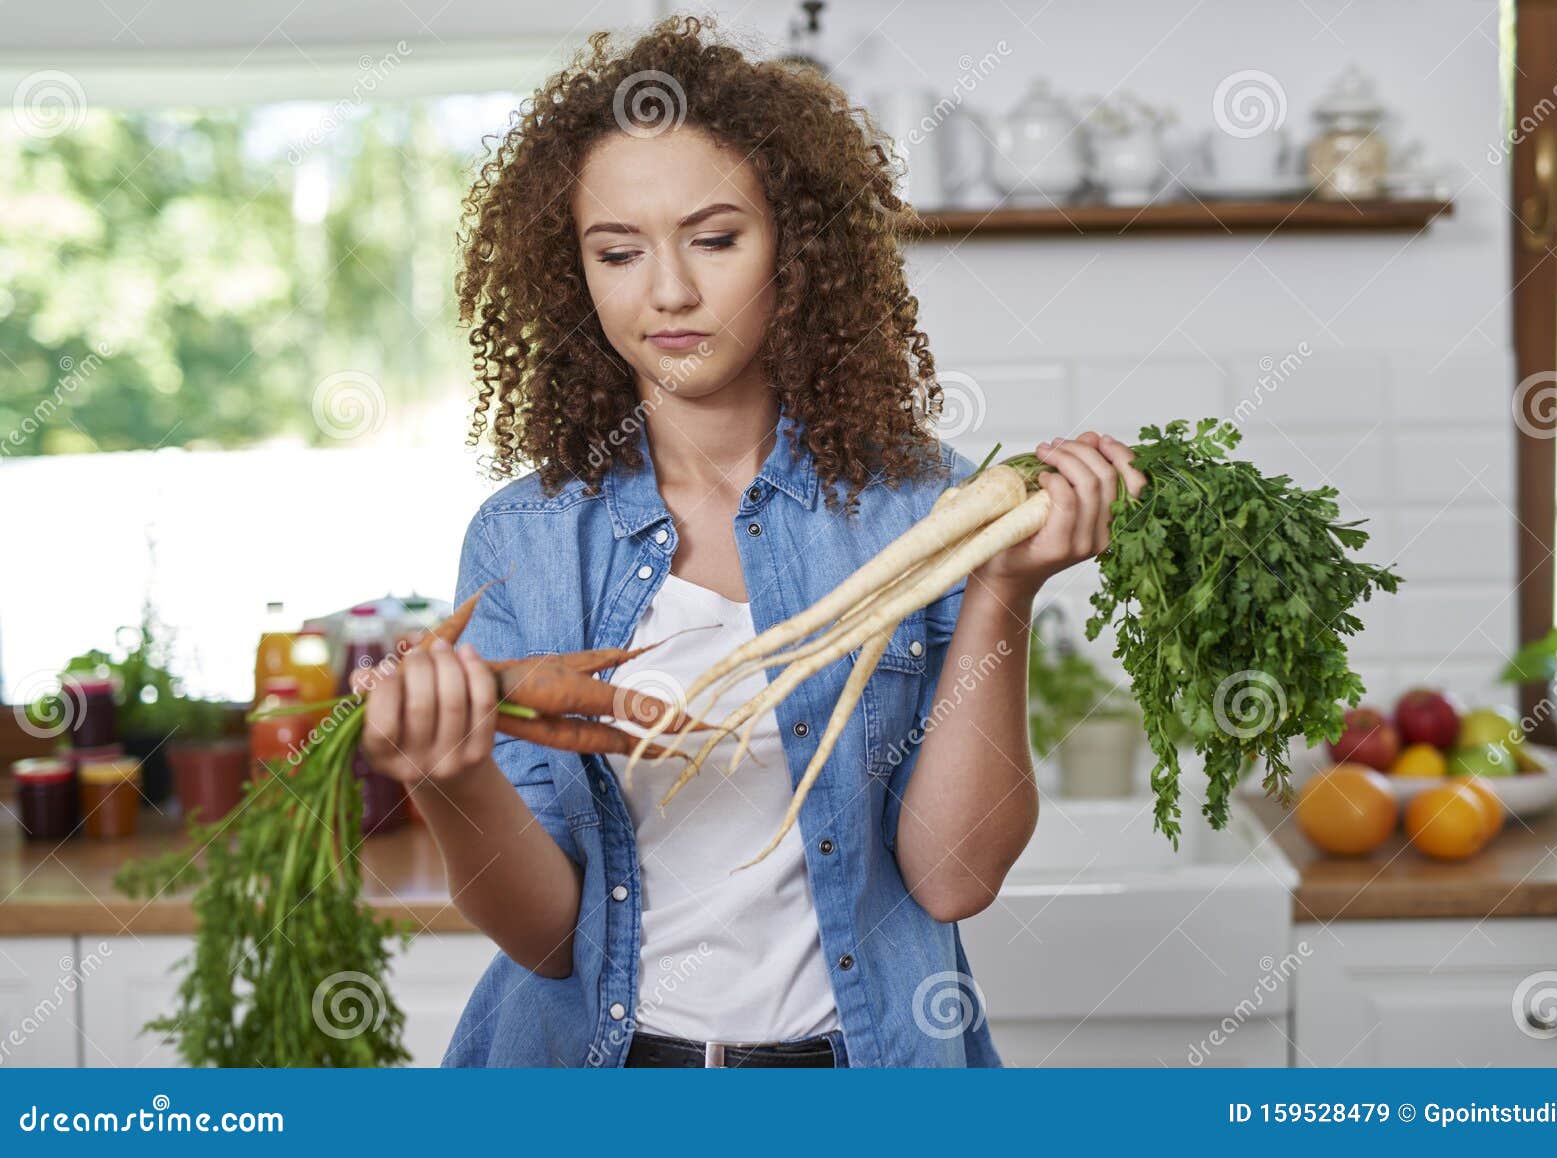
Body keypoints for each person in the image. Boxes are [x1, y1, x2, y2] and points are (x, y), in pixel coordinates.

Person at [359, 13, 1145, 1068]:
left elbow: (954, 878)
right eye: (617, 252)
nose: (669, 291)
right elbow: (547, 940)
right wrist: (451, 779)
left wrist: (1005, 590)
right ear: (573, 273)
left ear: (796, 250)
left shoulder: (928, 512)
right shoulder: (525, 539)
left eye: (716, 239)